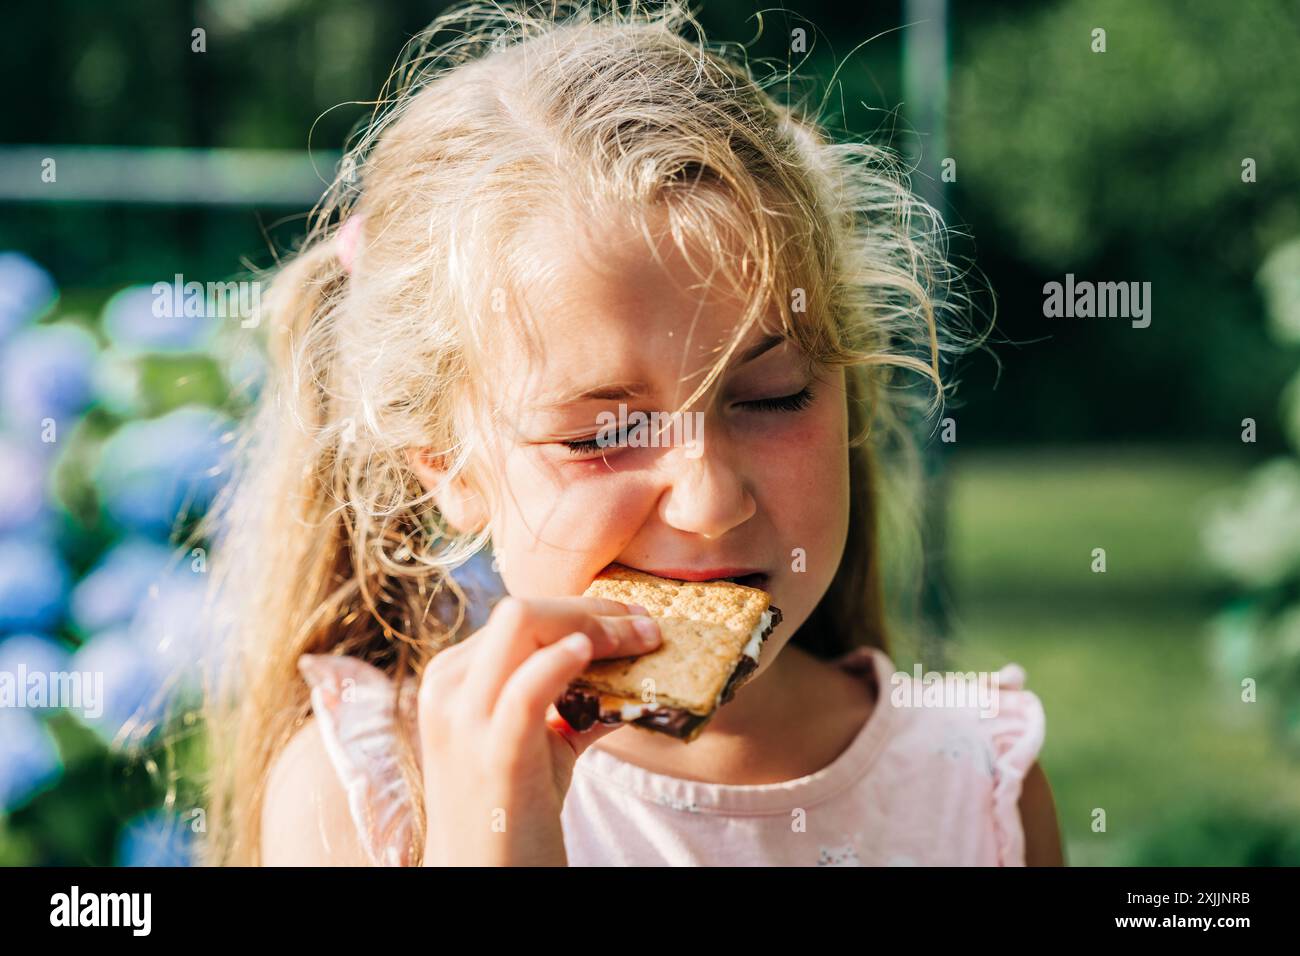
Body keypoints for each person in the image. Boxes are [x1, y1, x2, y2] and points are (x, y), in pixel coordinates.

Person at [199, 0, 1062, 867]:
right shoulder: (367, 799)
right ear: (447, 468)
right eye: (602, 434)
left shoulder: (976, 781)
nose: (712, 498)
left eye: (771, 397)